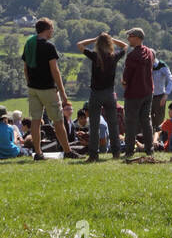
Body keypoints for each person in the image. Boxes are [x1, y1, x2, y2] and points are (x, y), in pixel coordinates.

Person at [23, 18, 81, 159]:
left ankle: (38, 152)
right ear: (47, 29)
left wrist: (29, 83)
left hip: (32, 88)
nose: (53, 32)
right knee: (58, 121)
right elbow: (55, 71)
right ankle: (67, 151)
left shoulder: (29, 44)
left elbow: (25, 67)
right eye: (52, 29)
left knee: (36, 121)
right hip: (48, 89)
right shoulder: (49, 46)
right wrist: (62, 92)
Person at [77, 31, 127, 161]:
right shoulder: (114, 56)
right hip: (110, 94)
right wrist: (112, 39)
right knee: (113, 124)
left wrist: (95, 38)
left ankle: (93, 154)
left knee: (94, 126)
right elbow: (125, 46)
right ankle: (116, 152)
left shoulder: (95, 56)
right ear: (109, 44)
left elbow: (80, 45)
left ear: (98, 44)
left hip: (96, 94)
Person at [120, 27, 156, 159]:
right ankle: (149, 149)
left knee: (130, 122)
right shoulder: (149, 53)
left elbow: (126, 77)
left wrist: (124, 83)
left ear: (137, 37)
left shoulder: (132, 56)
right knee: (146, 121)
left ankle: (129, 150)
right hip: (148, 92)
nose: (128, 38)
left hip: (134, 93)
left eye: (130, 36)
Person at [151, 57, 172, 141]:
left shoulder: (162, 65)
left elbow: (171, 79)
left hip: (159, 97)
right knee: (147, 120)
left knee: (159, 122)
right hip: (148, 97)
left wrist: (166, 95)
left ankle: (159, 142)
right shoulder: (146, 64)